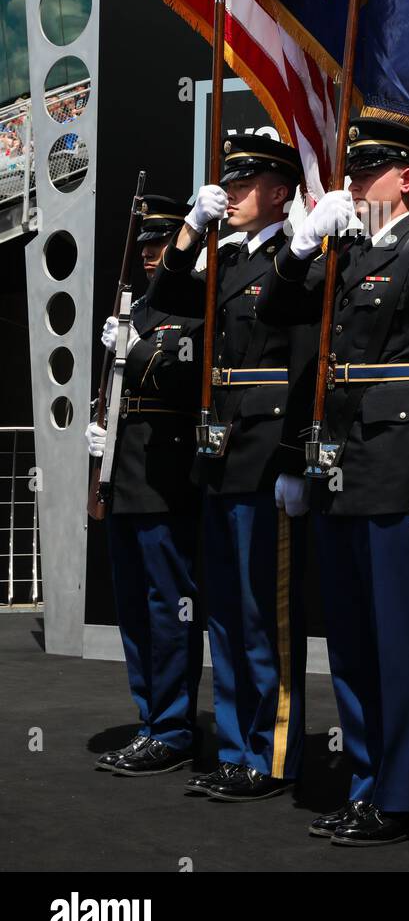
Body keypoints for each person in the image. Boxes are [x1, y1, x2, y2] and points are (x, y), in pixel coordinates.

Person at [259, 117, 409, 846]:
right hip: (340, 469)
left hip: (395, 474)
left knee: (398, 644)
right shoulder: (345, 256)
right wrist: (298, 246)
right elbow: (276, 308)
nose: (350, 186)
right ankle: (365, 783)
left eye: (364, 174)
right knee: (350, 640)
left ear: (406, 180)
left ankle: (406, 793)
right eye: (349, 175)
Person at [146, 135, 307, 803]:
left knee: (259, 616)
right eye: (227, 182)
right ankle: (238, 747)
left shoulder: (295, 260)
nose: (232, 193)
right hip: (217, 454)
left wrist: (295, 454)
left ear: (279, 191)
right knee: (223, 617)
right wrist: (189, 228)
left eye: (245, 182)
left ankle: (270, 758)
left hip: (263, 449)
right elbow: (163, 296)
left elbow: (302, 365)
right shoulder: (224, 258)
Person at [85, 195, 204, 775]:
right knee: (133, 606)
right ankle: (150, 716)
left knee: (169, 607)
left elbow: (184, 386)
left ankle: (176, 726)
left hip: (166, 476)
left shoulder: (193, 303)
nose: (153, 255)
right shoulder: (133, 308)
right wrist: (102, 423)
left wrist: (136, 350)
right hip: (123, 474)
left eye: (163, 244)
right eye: (147, 246)